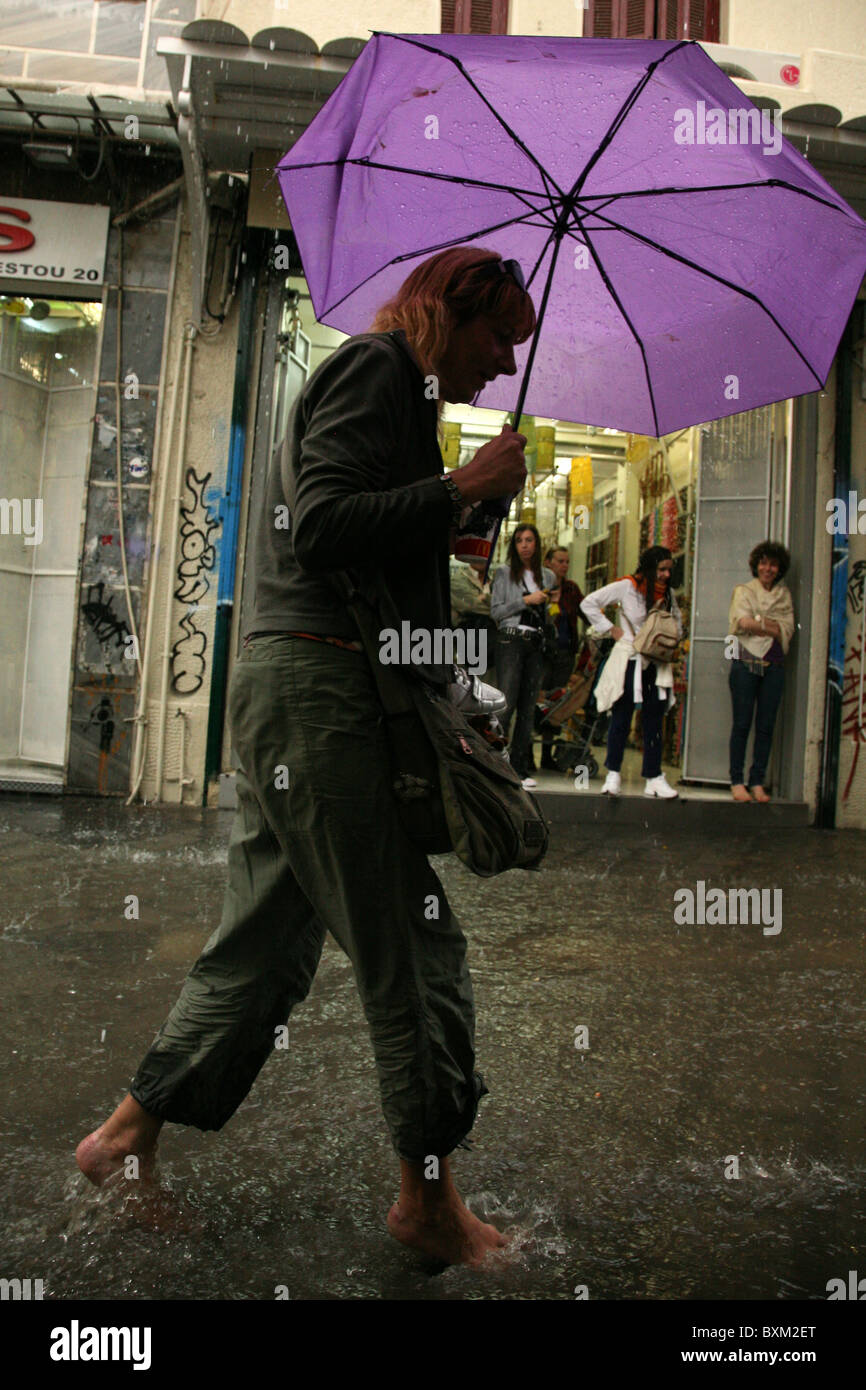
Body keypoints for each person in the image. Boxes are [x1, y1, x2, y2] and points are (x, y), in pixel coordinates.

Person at [76, 246, 536, 1268]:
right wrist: (456, 482)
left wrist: (464, 508)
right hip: (318, 697)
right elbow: (319, 525)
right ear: (447, 311)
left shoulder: (403, 395)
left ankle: (121, 1138)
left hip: (305, 691)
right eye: (499, 335)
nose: (505, 363)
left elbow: (373, 555)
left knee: (266, 946)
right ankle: (426, 1207)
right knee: (410, 948)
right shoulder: (378, 368)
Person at [580, 545, 682, 799]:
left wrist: (670, 641)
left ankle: (654, 777)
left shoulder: (668, 594)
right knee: (621, 716)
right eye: (661, 569)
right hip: (629, 659)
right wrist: (611, 629)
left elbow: (677, 623)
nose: (666, 575)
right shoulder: (627, 586)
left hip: (656, 662)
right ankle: (613, 773)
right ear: (650, 568)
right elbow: (589, 603)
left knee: (654, 720)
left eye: (669, 569)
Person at [727, 541, 795, 803]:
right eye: (763, 563)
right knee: (742, 724)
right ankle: (737, 781)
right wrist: (769, 625)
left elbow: (786, 629)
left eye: (773, 564)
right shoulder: (744, 591)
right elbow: (741, 622)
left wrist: (758, 622)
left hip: (774, 666)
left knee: (766, 726)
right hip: (745, 662)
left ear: (779, 569)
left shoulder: (784, 595)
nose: (768, 568)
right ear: (756, 565)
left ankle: (757, 781)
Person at [490, 524, 555, 789]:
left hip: (535, 642)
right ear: (514, 546)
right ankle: (494, 763)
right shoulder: (505, 573)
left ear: (537, 544)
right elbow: (496, 612)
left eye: (529, 540)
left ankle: (519, 767)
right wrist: (526, 601)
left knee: (528, 709)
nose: (525, 545)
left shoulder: (547, 576)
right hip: (511, 639)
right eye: (519, 541)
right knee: (506, 703)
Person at [539, 546, 584, 770]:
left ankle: (547, 753)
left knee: (557, 704)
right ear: (548, 562)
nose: (564, 565)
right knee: (537, 701)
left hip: (565, 653)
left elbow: (585, 611)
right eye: (560, 561)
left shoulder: (571, 590)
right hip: (542, 653)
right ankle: (526, 752)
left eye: (567, 561)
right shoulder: (538, 586)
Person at [449, 554, 496, 681]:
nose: (482, 559)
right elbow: (471, 606)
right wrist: (495, 607)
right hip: (467, 643)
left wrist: (484, 598)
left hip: (491, 646)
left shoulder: (494, 583)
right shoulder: (458, 580)